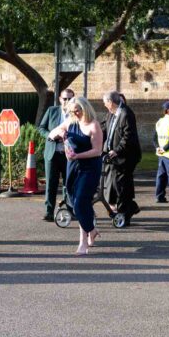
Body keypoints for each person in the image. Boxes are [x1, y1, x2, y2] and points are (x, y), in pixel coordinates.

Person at [51, 97, 104, 255]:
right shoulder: (70, 122)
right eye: (72, 111)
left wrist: (77, 156)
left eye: (78, 110)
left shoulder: (94, 125)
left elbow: (97, 151)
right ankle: (91, 231)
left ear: (85, 108)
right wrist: (60, 132)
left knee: (81, 201)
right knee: (76, 203)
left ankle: (83, 240)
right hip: (73, 167)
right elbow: (53, 132)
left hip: (89, 167)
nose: (75, 113)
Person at [102, 90, 142, 227]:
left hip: (126, 156)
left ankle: (125, 214)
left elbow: (128, 136)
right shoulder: (111, 114)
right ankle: (131, 206)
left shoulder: (126, 113)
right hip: (113, 156)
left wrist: (117, 151)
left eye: (105, 103)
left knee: (121, 185)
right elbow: (104, 130)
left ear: (110, 102)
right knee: (117, 185)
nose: (104, 105)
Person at [39, 88, 75, 221]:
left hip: (68, 154)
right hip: (52, 153)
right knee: (51, 184)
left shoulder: (76, 113)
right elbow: (41, 128)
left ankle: (71, 210)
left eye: (70, 98)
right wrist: (51, 135)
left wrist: (67, 136)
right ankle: (49, 212)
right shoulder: (52, 111)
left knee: (69, 183)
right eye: (65, 98)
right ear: (60, 99)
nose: (67, 101)